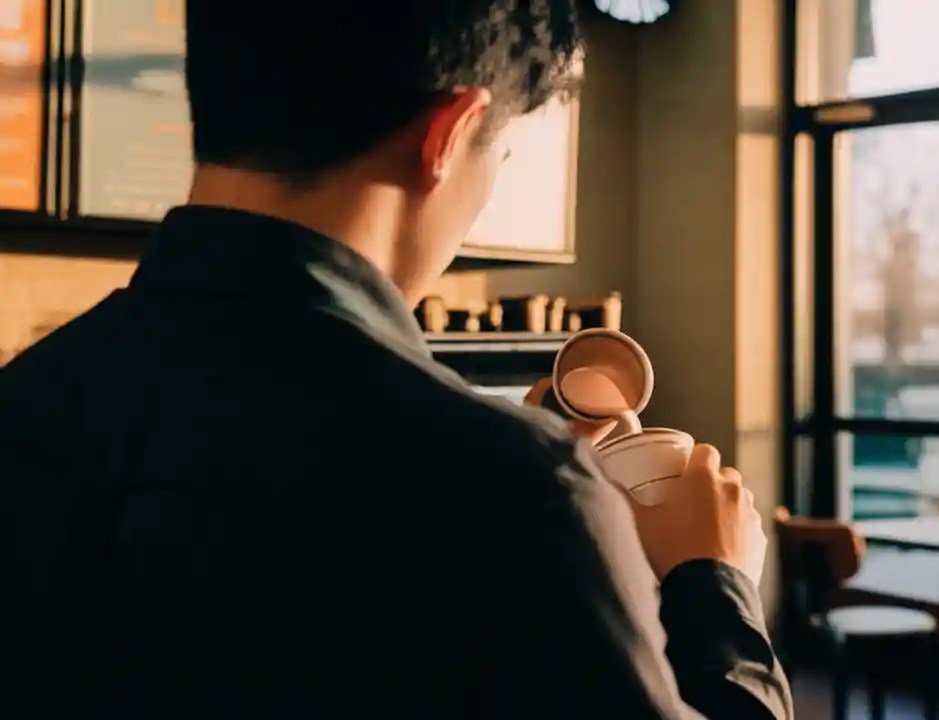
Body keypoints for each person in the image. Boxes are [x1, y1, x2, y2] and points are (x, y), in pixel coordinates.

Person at [0, 1, 793, 718]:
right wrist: (713, 585)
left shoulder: (25, 403)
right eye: (501, 157)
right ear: (448, 135)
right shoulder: (514, 494)